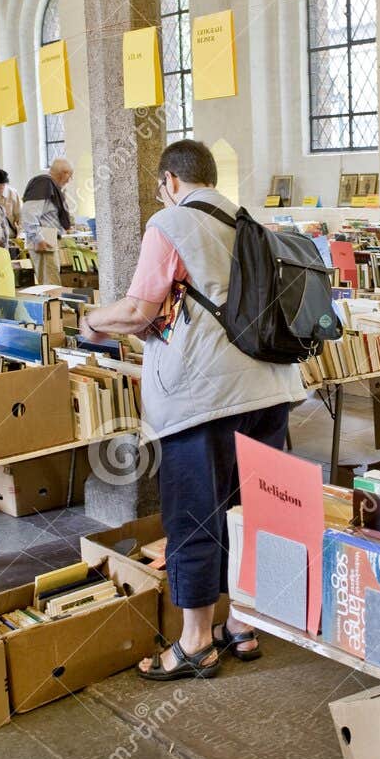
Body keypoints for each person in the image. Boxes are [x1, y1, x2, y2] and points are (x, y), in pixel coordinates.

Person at [79, 140, 306, 680]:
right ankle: (245, 625)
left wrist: (92, 321)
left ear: (170, 182)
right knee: (253, 511)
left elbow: (138, 310)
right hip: (271, 387)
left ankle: (196, 642)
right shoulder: (251, 220)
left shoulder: (169, 222)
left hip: (202, 399)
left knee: (195, 513)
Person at [22, 158, 73, 286]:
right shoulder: (43, 184)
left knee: (51, 281)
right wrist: (37, 239)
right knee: (49, 285)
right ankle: (51, 306)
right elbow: (28, 214)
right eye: (70, 176)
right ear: (64, 173)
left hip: (48, 240)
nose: (69, 180)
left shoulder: (50, 185)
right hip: (43, 242)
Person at [0, 167, 20, 239]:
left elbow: (19, 217)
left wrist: (20, 235)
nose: (1, 188)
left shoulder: (13, 193)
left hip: (11, 237)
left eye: (3, 185)